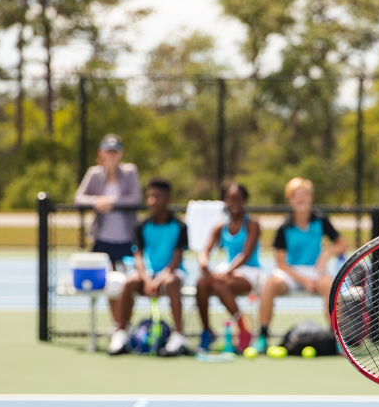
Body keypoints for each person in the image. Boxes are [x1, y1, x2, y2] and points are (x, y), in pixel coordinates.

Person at [253, 177, 346, 353]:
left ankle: (337, 340)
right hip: (291, 272)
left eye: (305, 194)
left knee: (330, 285)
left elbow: (342, 244)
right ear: (290, 199)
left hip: (315, 271)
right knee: (270, 284)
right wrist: (303, 280)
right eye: (296, 195)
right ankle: (263, 337)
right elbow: (280, 263)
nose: (301, 199)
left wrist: (326, 254)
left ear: (311, 197)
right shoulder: (283, 228)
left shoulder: (321, 220)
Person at [109, 178, 190, 356]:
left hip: (171, 272)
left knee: (171, 282)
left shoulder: (180, 226)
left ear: (168, 199)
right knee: (129, 282)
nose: (152, 201)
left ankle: (178, 335)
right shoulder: (141, 225)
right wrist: (147, 279)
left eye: (157, 197)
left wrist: (159, 279)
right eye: (149, 197)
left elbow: (176, 258)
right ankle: (121, 332)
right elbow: (138, 257)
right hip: (146, 273)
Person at [73, 134, 142, 327]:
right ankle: (116, 323)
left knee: (129, 283)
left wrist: (112, 202)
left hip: (127, 238)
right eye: (108, 151)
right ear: (101, 152)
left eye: (115, 151)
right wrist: (97, 201)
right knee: (110, 284)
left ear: (121, 153)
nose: (111, 155)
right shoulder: (94, 173)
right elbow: (79, 198)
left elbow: (136, 198)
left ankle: (126, 321)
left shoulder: (129, 172)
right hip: (103, 239)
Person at [195, 183, 260, 352]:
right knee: (201, 283)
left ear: (244, 201)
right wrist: (203, 261)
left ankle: (244, 329)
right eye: (230, 198)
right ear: (225, 200)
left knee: (219, 284)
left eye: (238, 198)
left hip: (249, 271)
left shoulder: (252, 224)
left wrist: (228, 272)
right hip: (228, 270)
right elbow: (205, 251)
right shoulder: (220, 226)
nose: (234, 202)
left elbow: (245, 255)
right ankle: (207, 331)